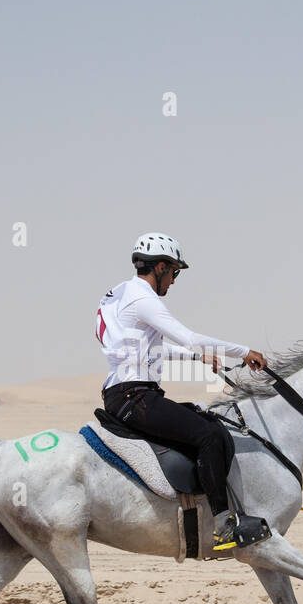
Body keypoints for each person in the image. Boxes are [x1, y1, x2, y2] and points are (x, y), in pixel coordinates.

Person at [96, 232, 269, 551]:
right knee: (209, 435)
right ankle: (223, 525)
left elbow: (149, 349)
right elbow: (189, 337)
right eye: (174, 272)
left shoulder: (118, 295)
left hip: (121, 394)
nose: (174, 281)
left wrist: (196, 358)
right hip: (137, 397)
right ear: (160, 267)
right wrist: (244, 352)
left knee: (201, 416)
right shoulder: (145, 300)